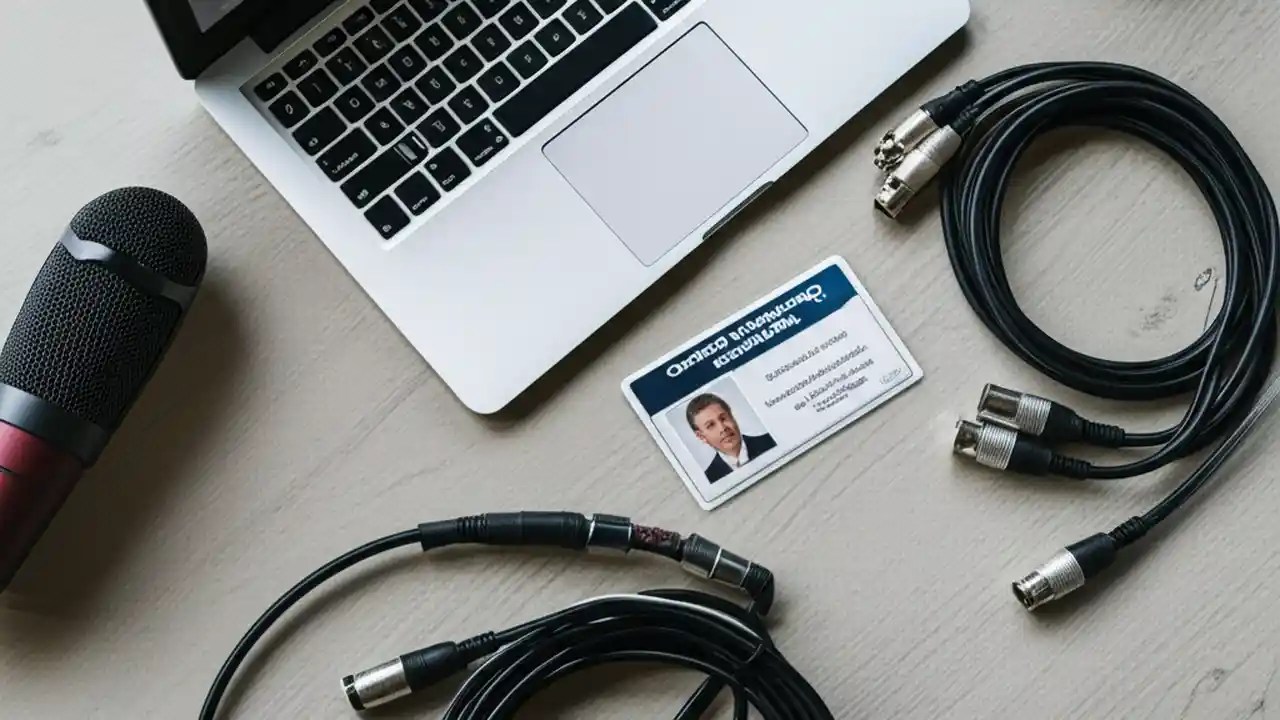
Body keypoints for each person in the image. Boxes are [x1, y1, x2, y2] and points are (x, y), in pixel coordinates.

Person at [685, 393, 776, 483]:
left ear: (732, 417)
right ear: (701, 436)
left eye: (723, 418)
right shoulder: (710, 477)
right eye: (711, 425)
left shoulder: (770, 441)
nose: (723, 428)